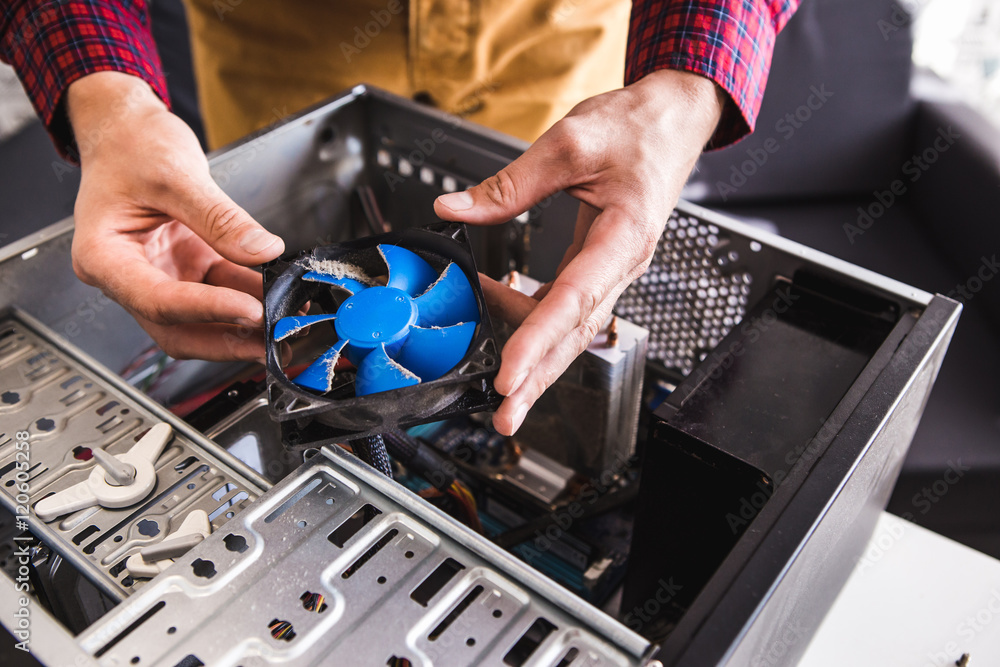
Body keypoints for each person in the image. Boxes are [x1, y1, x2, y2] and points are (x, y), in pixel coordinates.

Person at [0, 0, 799, 436]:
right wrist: (107, 102)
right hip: (284, 69)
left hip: (552, 74)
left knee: (540, 288)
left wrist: (684, 89)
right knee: (274, 270)